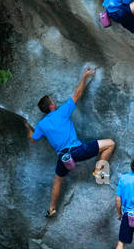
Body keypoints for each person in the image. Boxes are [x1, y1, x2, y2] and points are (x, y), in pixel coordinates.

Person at [26, 65, 115, 217]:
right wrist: (84, 77)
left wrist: (27, 126)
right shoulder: (61, 112)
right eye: (53, 101)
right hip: (78, 152)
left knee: (57, 180)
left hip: (64, 158)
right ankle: (98, 171)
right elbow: (78, 94)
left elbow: (32, 139)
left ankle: (52, 208)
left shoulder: (41, 125)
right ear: (52, 105)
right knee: (110, 144)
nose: (55, 102)